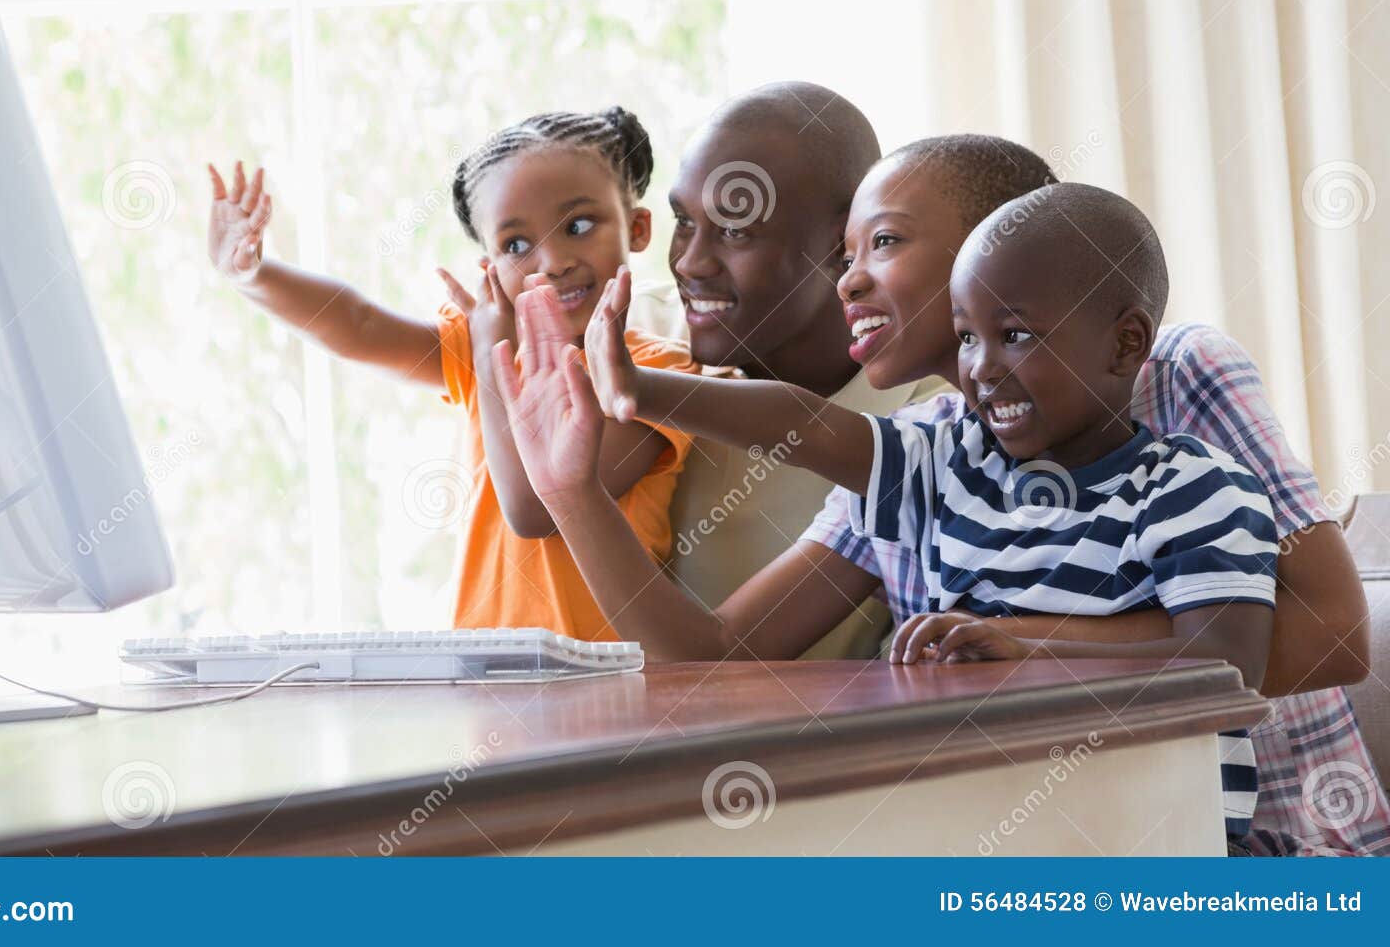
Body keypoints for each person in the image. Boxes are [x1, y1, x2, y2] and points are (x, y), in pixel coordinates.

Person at [504, 132, 1387, 855]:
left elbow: (1323, 638)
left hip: (1269, 843)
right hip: (1028, 840)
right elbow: (711, 654)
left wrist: (1015, 645)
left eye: (882, 244)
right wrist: (574, 487)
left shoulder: (1176, 383)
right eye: (843, 253)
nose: (845, 279)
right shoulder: (927, 449)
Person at [204, 107, 694, 640]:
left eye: (578, 226)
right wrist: (252, 275)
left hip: (606, 680)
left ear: (638, 227)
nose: (551, 261)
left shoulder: (657, 372)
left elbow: (534, 510)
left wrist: (490, 355)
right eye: (516, 245)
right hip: (490, 677)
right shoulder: (488, 345)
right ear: (489, 265)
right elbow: (359, 325)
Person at [630, 82, 943, 657]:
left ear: (840, 244)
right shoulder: (636, 334)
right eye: (683, 221)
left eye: (734, 231)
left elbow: (716, 656)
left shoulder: (926, 414)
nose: (690, 262)